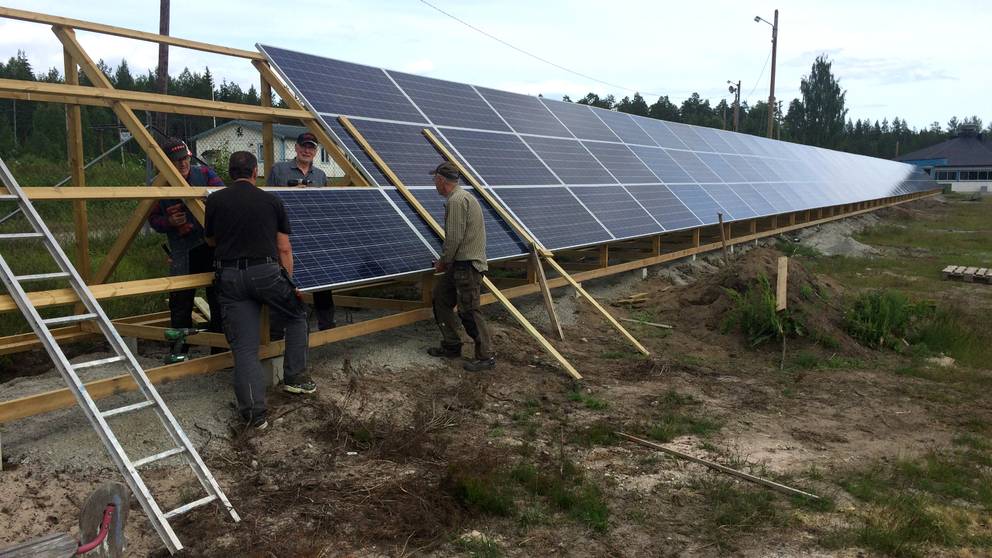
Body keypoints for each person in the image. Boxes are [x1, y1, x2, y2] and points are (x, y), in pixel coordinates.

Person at [205, 151, 316, 430]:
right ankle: (295, 378)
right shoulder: (271, 200)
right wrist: (288, 283)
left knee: (244, 348)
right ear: (255, 172)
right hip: (265, 273)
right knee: (296, 314)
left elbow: (210, 239)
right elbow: (284, 247)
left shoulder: (215, 200)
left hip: (229, 276)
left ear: (230, 173)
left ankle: (255, 415)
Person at [148, 138, 224, 343]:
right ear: (165, 163)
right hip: (182, 251)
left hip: (211, 247)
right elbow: (153, 221)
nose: (182, 164)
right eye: (176, 160)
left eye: (185, 158)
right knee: (180, 303)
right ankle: (179, 351)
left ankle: (220, 351)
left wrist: (208, 204)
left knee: (219, 299)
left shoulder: (205, 174)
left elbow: (223, 198)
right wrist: (169, 221)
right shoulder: (156, 185)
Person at [427, 162, 496, 372]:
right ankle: (452, 344)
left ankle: (486, 356)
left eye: (434, 180)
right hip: (460, 264)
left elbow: (454, 238)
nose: (434, 184)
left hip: (467, 266)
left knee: (469, 310)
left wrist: (443, 261)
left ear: (441, 180)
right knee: (441, 297)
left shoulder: (456, 201)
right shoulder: (464, 197)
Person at [267, 132, 335, 334]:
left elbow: (325, 206)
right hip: (285, 234)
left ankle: (327, 326)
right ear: (296, 148)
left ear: (315, 151)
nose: (307, 151)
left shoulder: (320, 176)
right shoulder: (279, 171)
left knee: (322, 279)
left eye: (311, 147)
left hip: (313, 234)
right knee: (285, 280)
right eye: (304, 146)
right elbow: (268, 200)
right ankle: (280, 330)